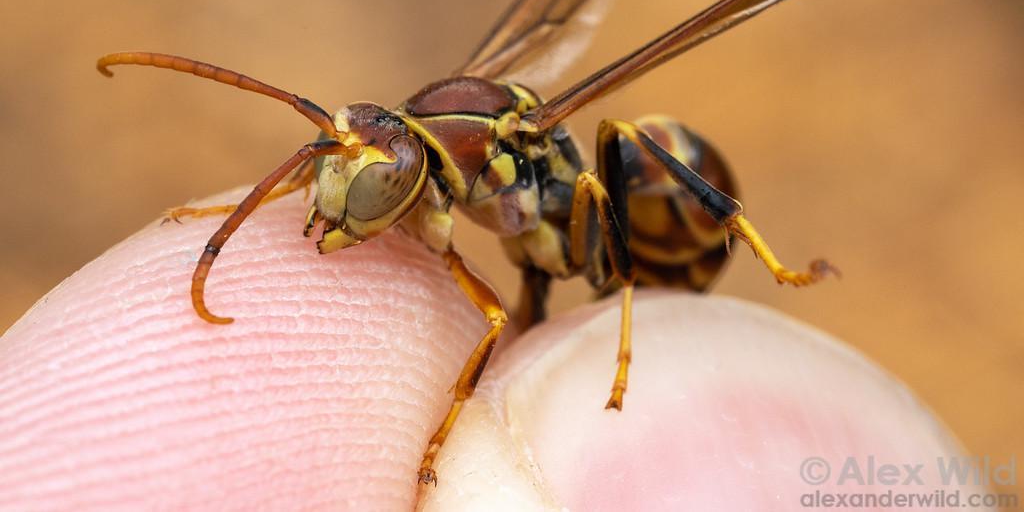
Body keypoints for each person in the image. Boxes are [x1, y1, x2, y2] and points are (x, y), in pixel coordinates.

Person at [0, 190, 985, 511]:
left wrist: (434, 447)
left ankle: (770, 262)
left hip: (658, 227)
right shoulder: (437, 192)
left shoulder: (517, 186)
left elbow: (489, 307)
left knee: (616, 152)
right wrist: (230, 216)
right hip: (564, 265)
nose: (345, 208)